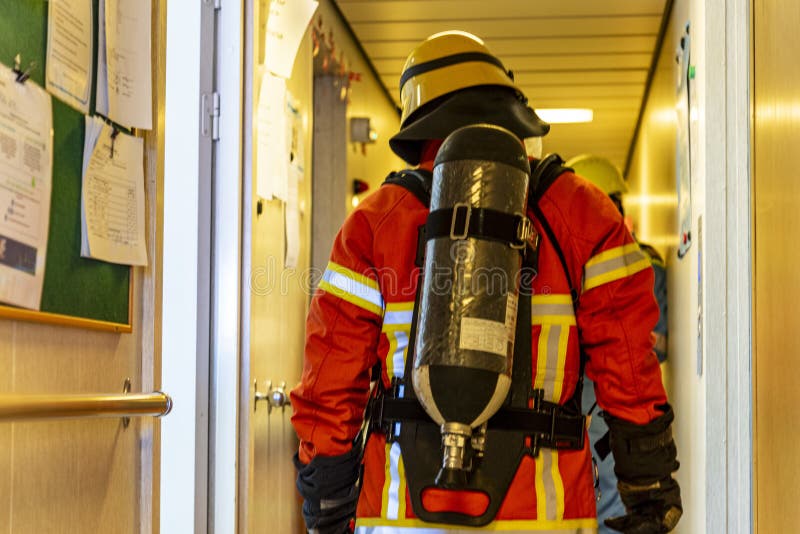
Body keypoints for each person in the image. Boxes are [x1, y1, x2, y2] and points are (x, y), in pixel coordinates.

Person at [291, 30, 682, 534]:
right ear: (510, 110)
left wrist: (324, 499)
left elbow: (329, 381)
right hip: (548, 516)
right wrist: (649, 484)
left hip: (401, 515)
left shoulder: (374, 223)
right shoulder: (582, 212)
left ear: (421, 124)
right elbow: (629, 364)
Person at [565, 154, 670, 534]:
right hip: (604, 393)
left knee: (601, 486)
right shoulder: (631, 262)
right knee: (604, 487)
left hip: (591, 392)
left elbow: (658, 342)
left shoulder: (561, 254)